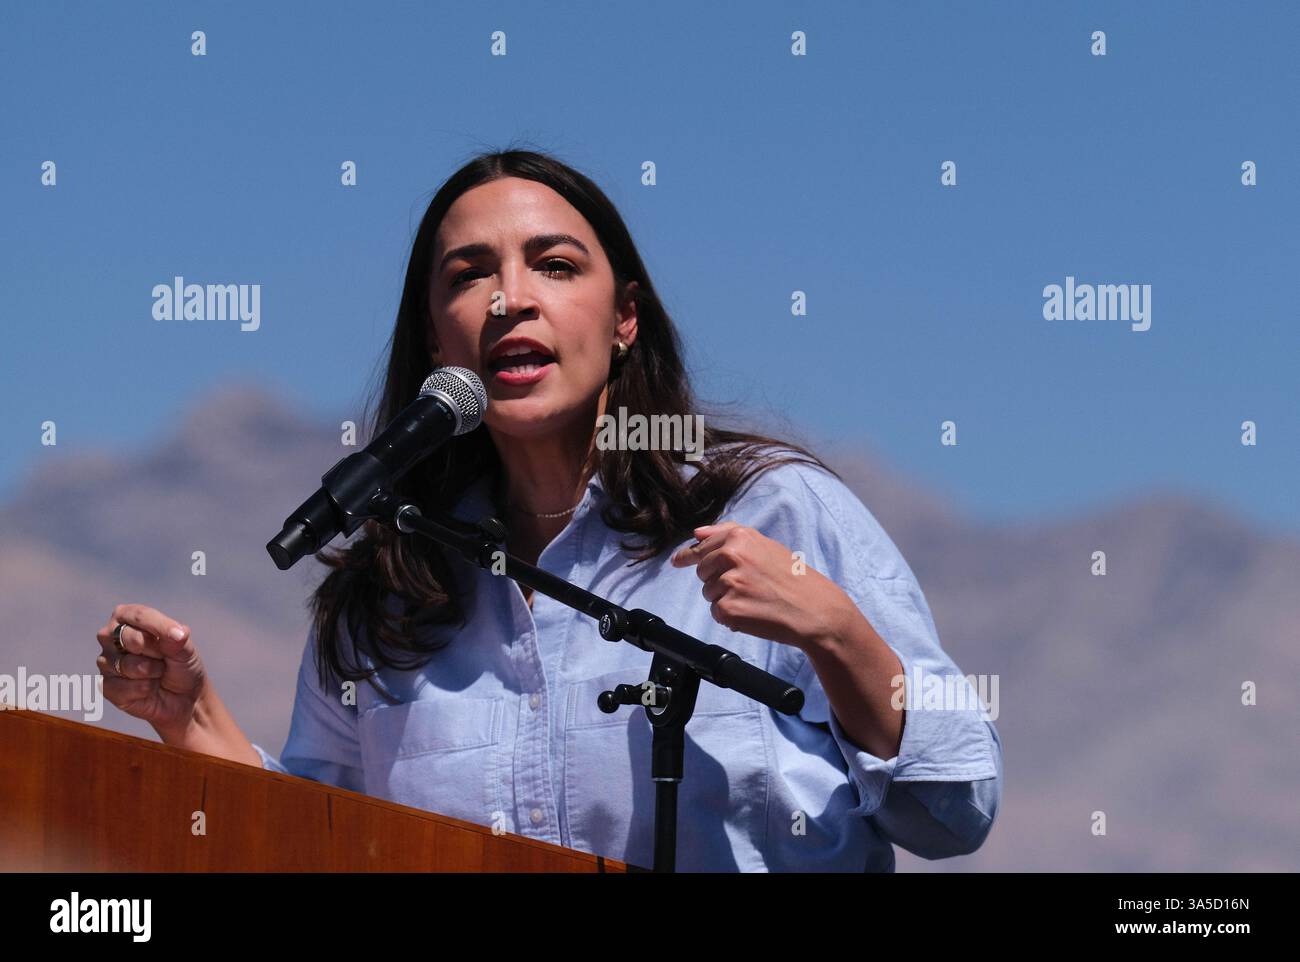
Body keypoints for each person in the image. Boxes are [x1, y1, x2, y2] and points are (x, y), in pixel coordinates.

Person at [96, 148, 1002, 872]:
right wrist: (193, 721)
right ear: (433, 333)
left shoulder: (772, 509)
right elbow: (310, 844)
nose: (509, 298)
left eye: (555, 265)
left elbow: (954, 811)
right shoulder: (390, 595)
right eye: (468, 275)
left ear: (625, 319)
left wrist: (841, 636)